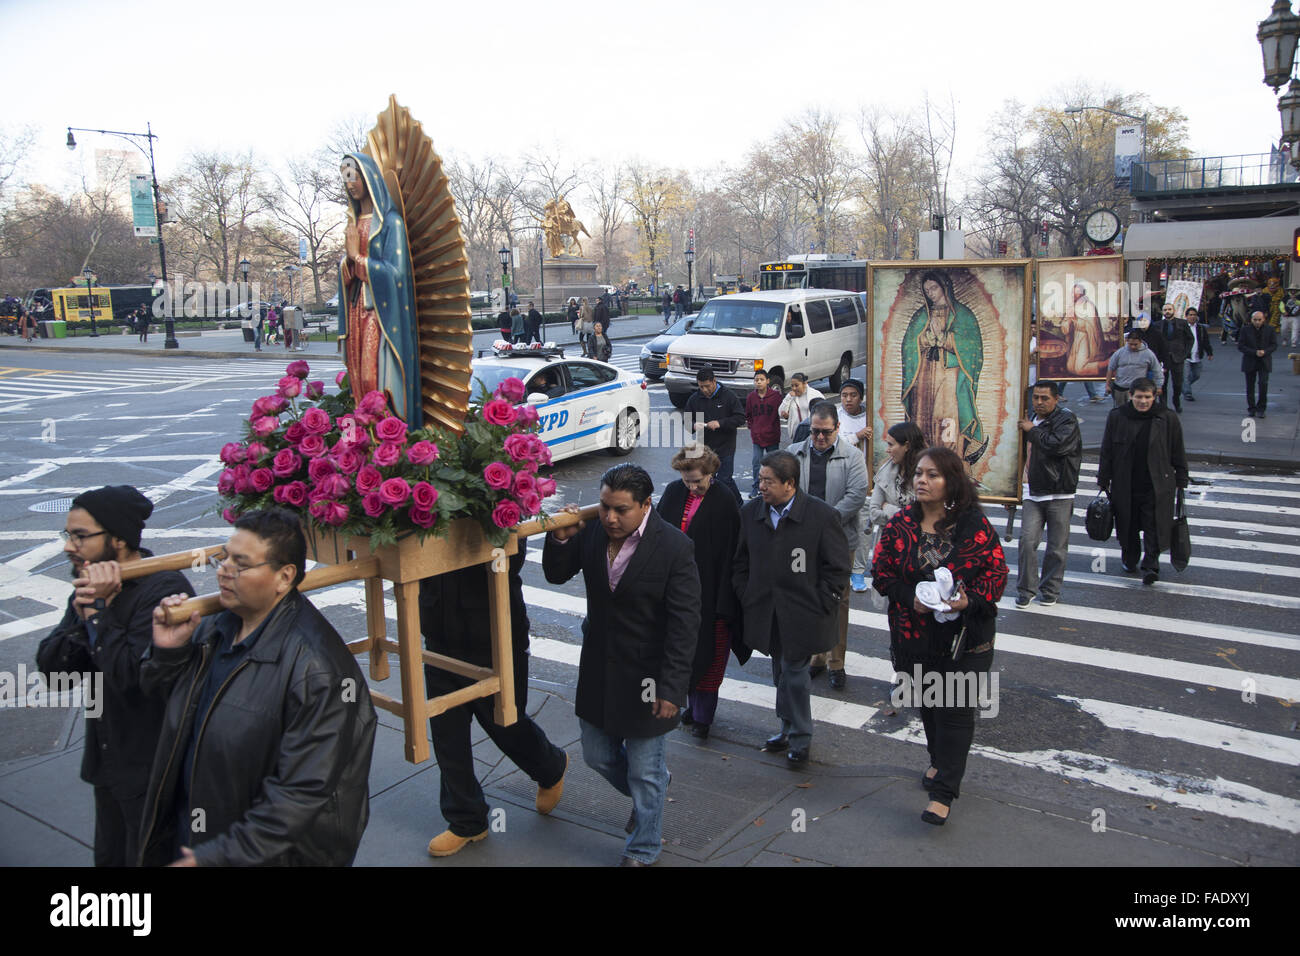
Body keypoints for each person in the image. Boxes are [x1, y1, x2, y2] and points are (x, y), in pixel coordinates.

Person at [138, 509, 377, 866]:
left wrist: (218, 857)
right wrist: (168, 653)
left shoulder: (317, 670)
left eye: (241, 564)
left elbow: (300, 793)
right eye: (224, 558)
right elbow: (164, 710)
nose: (223, 570)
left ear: (284, 577)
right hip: (197, 836)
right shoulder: (212, 628)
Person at [542, 465, 701, 866]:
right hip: (599, 668)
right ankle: (652, 793)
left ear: (645, 505)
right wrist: (560, 539)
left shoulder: (675, 547)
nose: (610, 517)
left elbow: (685, 625)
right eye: (605, 506)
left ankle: (644, 848)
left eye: (621, 510)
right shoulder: (594, 527)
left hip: (649, 677)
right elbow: (556, 574)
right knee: (597, 755)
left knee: (645, 770)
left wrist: (672, 688)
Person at [35, 486, 194, 867]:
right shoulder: (91, 585)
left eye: (80, 536)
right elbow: (54, 672)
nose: (69, 546)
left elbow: (132, 678)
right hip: (109, 764)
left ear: (118, 539)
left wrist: (99, 614)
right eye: (68, 534)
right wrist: (84, 615)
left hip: (153, 772)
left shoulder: (164, 589)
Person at [871, 446, 1008, 825]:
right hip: (914, 637)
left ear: (952, 482)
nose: (922, 481)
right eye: (918, 473)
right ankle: (938, 761)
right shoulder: (900, 525)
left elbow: (996, 574)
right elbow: (881, 574)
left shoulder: (974, 525)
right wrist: (909, 596)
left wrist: (969, 601)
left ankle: (944, 792)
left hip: (966, 638)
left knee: (956, 711)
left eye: (933, 475)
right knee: (930, 705)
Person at [419, 540, 569, 857]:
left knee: (507, 724)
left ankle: (550, 767)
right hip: (440, 633)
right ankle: (466, 820)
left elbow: (509, 558)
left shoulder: (498, 496)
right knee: (448, 735)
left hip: (494, 633)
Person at [734, 451, 850, 766]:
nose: (761, 486)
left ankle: (800, 737)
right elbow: (741, 561)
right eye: (759, 479)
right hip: (765, 611)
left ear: (790, 484)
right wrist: (746, 593)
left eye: (768, 481)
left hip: (804, 613)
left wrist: (821, 601)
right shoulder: (750, 513)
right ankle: (785, 728)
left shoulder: (821, 516)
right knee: (779, 672)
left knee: (794, 673)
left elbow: (837, 568)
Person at [657, 447, 744, 740]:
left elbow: (732, 553)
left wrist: (725, 601)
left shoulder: (724, 500)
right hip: (677, 590)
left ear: (711, 473)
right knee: (682, 651)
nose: (692, 487)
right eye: (687, 480)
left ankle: (703, 717)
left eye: (698, 480)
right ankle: (691, 706)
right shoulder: (672, 492)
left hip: (712, 591)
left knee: (710, 655)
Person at [790, 403, 869, 689]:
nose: (819, 438)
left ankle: (837, 661)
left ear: (837, 428)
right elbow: (787, 490)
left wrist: (825, 522)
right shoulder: (795, 453)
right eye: (815, 432)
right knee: (808, 596)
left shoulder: (852, 456)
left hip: (838, 538)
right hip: (802, 539)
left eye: (825, 432)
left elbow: (857, 494)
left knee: (837, 600)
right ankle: (816, 657)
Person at [338, 152, 420, 420]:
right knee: (356, 375)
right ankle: (360, 436)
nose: (349, 184)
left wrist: (356, 258)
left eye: (354, 176)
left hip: (380, 314)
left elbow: (396, 273)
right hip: (356, 310)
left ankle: (386, 431)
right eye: (344, 178)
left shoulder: (390, 222)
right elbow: (349, 270)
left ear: (369, 177)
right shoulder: (354, 222)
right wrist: (347, 265)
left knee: (371, 373)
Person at [1097, 378, 1188, 586]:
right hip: (1125, 482)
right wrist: (1104, 478)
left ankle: (1151, 564)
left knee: (1154, 524)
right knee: (1127, 523)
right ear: (1131, 396)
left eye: (1147, 397)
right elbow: (1107, 450)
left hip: (1157, 484)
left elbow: (1177, 449)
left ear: (1154, 396)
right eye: (1139, 397)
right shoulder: (1117, 416)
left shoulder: (1167, 418)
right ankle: (1130, 558)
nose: (1143, 401)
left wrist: (1181, 477)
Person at [901, 270, 987, 464]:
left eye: (934, 288)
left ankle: (950, 460)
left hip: (950, 374)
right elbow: (908, 345)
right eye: (927, 290)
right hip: (924, 373)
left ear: (944, 287)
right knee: (923, 417)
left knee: (946, 416)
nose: (930, 293)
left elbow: (972, 346)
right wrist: (924, 339)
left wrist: (945, 338)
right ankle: (923, 459)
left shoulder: (962, 314)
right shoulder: (921, 315)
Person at [1015, 381, 1082, 608]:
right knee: (1027, 542)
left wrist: (1032, 431)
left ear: (1056, 399)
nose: (1040, 402)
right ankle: (1026, 589)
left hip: (1059, 492)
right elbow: (1020, 455)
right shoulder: (1028, 420)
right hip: (1032, 491)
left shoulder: (1066, 420)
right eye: (1036, 398)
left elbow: (1057, 446)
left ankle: (1050, 590)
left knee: (1056, 547)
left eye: (1045, 398)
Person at [868, 422, 925, 592]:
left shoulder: (925, 474)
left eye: (891, 444)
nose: (887, 450)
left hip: (920, 551)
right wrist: (906, 516)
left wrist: (890, 509)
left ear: (906, 446)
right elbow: (874, 513)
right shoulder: (886, 470)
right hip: (892, 547)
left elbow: (923, 518)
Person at [685, 366, 746, 504]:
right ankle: (712, 505)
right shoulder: (695, 399)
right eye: (701, 387)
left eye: (707, 386)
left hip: (726, 445)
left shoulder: (728, 396)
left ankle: (739, 504)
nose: (704, 390)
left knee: (725, 479)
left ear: (714, 381)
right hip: (705, 447)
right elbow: (687, 421)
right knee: (706, 480)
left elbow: (740, 418)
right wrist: (693, 425)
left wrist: (720, 423)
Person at [837, 378, 873, 591]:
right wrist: (856, 436)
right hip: (841, 481)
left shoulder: (871, 417)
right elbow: (835, 442)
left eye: (853, 395)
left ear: (861, 397)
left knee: (863, 528)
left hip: (865, 483)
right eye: (844, 395)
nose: (848, 399)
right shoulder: (836, 416)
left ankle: (858, 571)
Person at [744, 369, 782, 499]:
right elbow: (748, 415)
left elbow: (781, 411)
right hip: (757, 436)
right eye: (756, 380)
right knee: (756, 462)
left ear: (767, 381)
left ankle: (773, 486)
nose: (759, 382)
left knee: (773, 463)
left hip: (772, 436)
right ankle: (756, 487)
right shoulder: (751, 397)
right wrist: (753, 428)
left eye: (761, 380)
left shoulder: (776, 396)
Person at [1105, 327, 1163, 407]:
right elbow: (1110, 368)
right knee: (1120, 412)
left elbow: (1157, 370)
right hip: (1120, 388)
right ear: (1127, 341)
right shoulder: (1119, 353)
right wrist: (1107, 385)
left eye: (1135, 344)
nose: (1132, 347)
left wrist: (1159, 386)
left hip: (1138, 389)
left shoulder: (1148, 354)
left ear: (1140, 342)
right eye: (1130, 344)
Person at [1239, 310, 1278, 418]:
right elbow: (1241, 346)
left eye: (1259, 320)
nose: (1257, 322)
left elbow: (1274, 345)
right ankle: (1251, 408)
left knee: (1263, 384)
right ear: (1251, 320)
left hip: (1264, 361)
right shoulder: (1245, 330)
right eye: (1255, 320)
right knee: (1250, 386)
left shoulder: (1270, 329)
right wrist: (1254, 352)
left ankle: (1261, 408)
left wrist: (1265, 352)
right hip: (1250, 361)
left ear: (1263, 319)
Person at [1160, 302, 1195, 413]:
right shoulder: (1158, 325)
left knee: (1177, 384)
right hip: (1163, 358)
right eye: (1165, 310)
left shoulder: (1182, 323)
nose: (1167, 311)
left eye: (1169, 309)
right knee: (1162, 383)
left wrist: (1185, 353)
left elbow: (1190, 339)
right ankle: (1163, 405)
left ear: (1174, 310)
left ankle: (1176, 402)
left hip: (1178, 358)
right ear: (1162, 312)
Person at [777, 372, 825, 443]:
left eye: (796, 385)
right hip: (797, 435)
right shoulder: (791, 397)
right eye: (792, 386)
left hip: (812, 434)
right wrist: (788, 397)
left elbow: (825, 413)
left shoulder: (815, 395)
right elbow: (780, 412)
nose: (794, 388)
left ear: (804, 384)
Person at [1182, 307, 1214, 402]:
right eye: (1190, 315)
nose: (1192, 317)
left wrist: (1209, 352)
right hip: (1185, 356)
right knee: (1186, 376)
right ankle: (1187, 393)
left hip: (1197, 355)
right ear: (1186, 316)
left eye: (1194, 315)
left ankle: (1183, 386)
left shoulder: (1200, 328)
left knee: (1196, 375)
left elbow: (1205, 341)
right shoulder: (1182, 327)